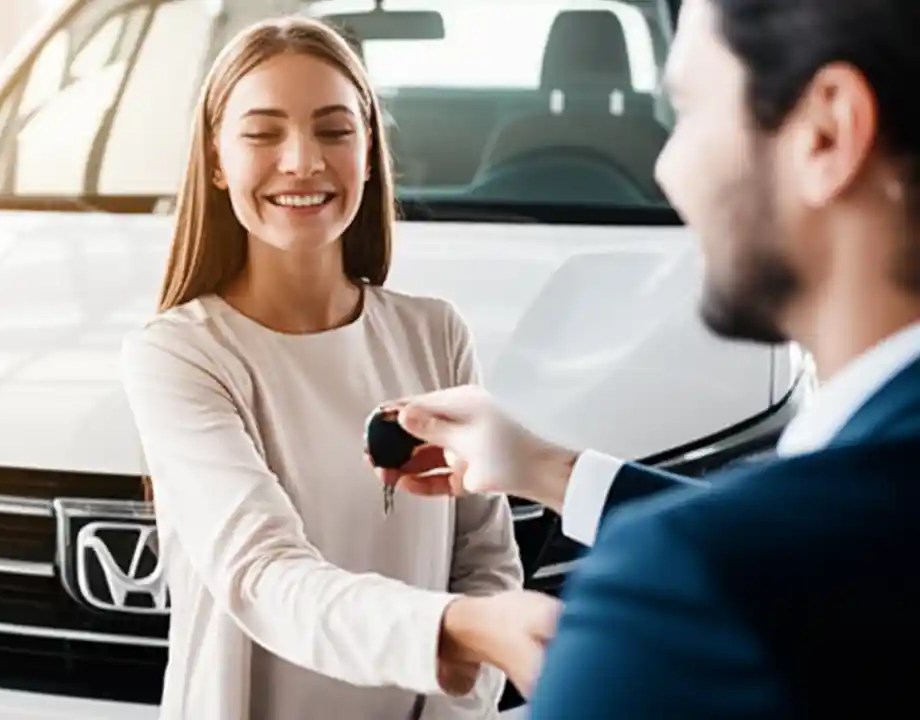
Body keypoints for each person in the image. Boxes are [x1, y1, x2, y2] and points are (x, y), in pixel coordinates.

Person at [376, 0, 920, 716]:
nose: (666, 167)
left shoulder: (683, 593)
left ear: (827, 134)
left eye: (688, 111)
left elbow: (765, 554)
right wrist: (550, 470)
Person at [119, 16, 532, 720]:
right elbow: (261, 571)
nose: (303, 161)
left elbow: (485, 559)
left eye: (334, 130)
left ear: (368, 153)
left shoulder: (435, 334)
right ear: (217, 160)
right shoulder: (179, 355)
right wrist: (452, 629)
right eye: (263, 133)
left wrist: (463, 694)